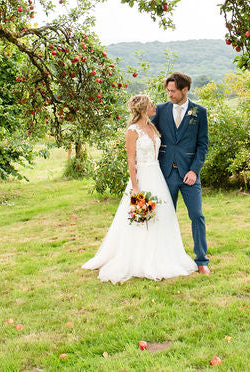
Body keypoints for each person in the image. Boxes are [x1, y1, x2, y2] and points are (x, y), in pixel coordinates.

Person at [82, 94, 198, 283]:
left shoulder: (152, 126)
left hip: (157, 176)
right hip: (142, 177)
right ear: (144, 109)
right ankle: (139, 257)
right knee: (141, 216)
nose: (155, 107)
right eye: (152, 104)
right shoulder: (133, 130)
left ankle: (164, 254)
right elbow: (130, 160)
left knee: (162, 215)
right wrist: (135, 187)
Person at [154, 71, 210, 274]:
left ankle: (202, 261)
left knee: (197, 215)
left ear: (184, 90)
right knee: (164, 216)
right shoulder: (159, 110)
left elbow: (203, 145)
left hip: (189, 174)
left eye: (173, 91)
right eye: (167, 90)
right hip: (165, 173)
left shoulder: (199, 112)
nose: (169, 94)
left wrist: (194, 170)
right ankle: (163, 257)